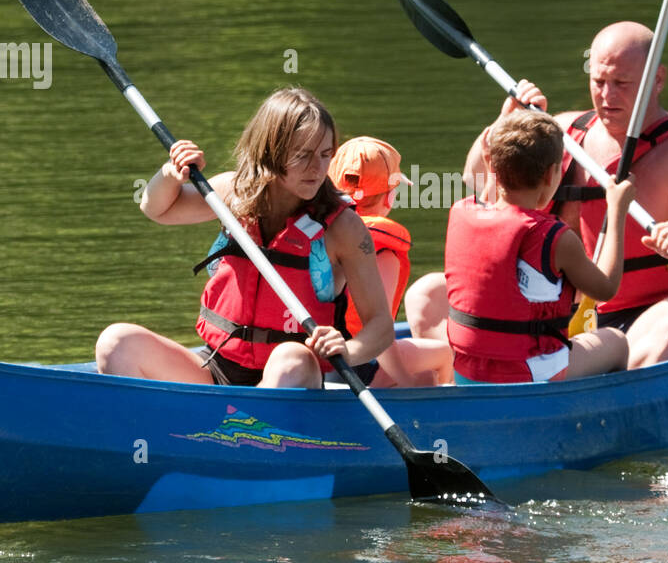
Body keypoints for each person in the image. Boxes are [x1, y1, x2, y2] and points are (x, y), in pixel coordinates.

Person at [402, 21, 668, 369]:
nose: (607, 96)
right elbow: (477, 179)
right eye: (598, 81)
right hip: (552, 311)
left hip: (645, 315)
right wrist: (506, 122)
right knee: (428, 295)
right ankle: (460, 385)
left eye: (622, 84)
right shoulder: (564, 132)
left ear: (658, 79)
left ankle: (603, 399)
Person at [94, 87, 394, 388]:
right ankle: (159, 431)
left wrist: (348, 350)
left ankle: (246, 430)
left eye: (325, 155)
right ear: (270, 150)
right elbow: (156, 209)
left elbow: (380, 325)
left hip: (295, 377)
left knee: (291, 358)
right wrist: (171, 175)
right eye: (302, 155)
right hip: (217, 368)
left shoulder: (343, 228)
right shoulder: (232, 194)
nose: (317, 169)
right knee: (116, 342)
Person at [445, 109, 634, 384]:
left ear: (492, 166)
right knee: (616, 341)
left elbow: (491, 194)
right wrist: (617, 210)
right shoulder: (555, 237)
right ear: (551, 174)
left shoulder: (462, 211)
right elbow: (606, 289)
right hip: (527, 376)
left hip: (466, 373)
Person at [328, 136, 452, 386]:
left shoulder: (321, 230)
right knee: (444, 354)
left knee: (424, 373)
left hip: (322, 356)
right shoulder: (381, 251)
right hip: (358, 366)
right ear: (388, 197)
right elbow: (377, 327)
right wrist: (406, 380)